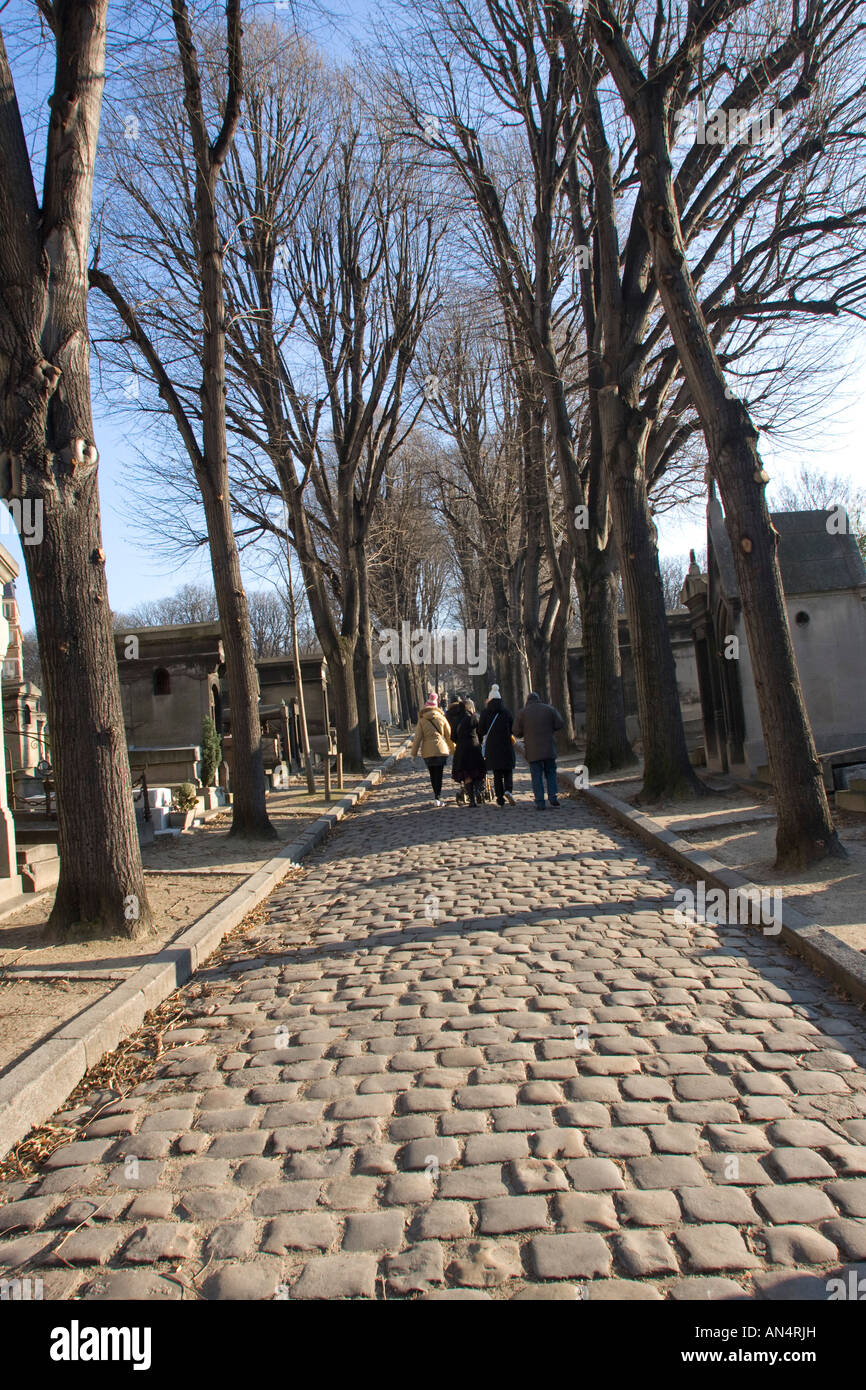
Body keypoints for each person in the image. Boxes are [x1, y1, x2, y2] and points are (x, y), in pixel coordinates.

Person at [514, 691, 564, 809]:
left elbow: (516, 731)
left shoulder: (522, 713)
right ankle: (553, 796)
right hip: (548, 747)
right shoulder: (549, 709)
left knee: (536, 776)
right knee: (551, 772)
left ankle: (540, 801)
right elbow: (559, 723)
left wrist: (523, 733)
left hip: (532, 750)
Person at [409, 692, 455, 807]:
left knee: (432, 774)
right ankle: (438, 797)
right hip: (441, 750)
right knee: (439, 774)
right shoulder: (442, 718)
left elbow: (417, 739)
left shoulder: (422, 720)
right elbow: (449, 736)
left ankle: (436, 795)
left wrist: (413, 754)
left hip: (427, 751)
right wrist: (454, 751)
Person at [479, 684, 515, 806]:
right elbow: (512, 728)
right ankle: (508, 790)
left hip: (492, 747)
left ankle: (500, 797)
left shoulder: (485, 713)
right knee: (508, 769)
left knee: (497, 772)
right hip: (506, 745)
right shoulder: (506, 712)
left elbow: (481, 730)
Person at [451, 697, 486, 805]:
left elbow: (453, 737)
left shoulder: (456, 719)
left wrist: (459, 741)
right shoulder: (475, 717)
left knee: (467, 775)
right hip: (474, 748)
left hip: (462, 750)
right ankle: (477, 792)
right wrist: (479, 742)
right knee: (477, 771)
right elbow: (481, 732)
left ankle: (472, 799)